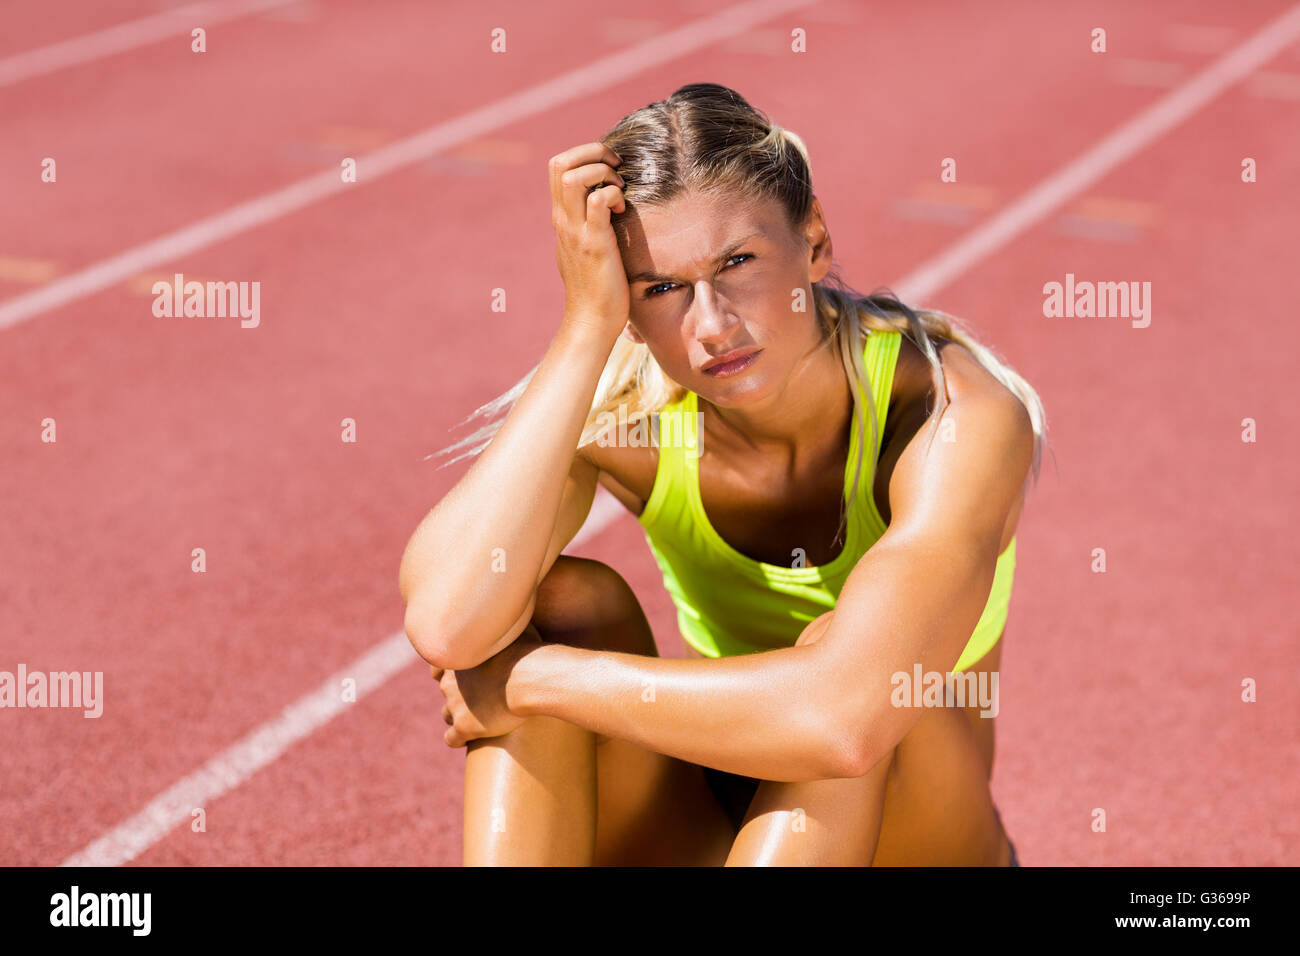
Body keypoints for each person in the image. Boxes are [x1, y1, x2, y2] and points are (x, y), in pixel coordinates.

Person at [399, 83, 1049, 866]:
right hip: (719, 823)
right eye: (662, 289)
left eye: (737, 263)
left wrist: (534, 680)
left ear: (812, 243)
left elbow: (841, 724)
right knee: (555, 599)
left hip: (920, 842)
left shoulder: (948, 415)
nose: (710, 326)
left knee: (847, 667)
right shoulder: (632, 412)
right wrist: (585, 330)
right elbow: (447, 623)